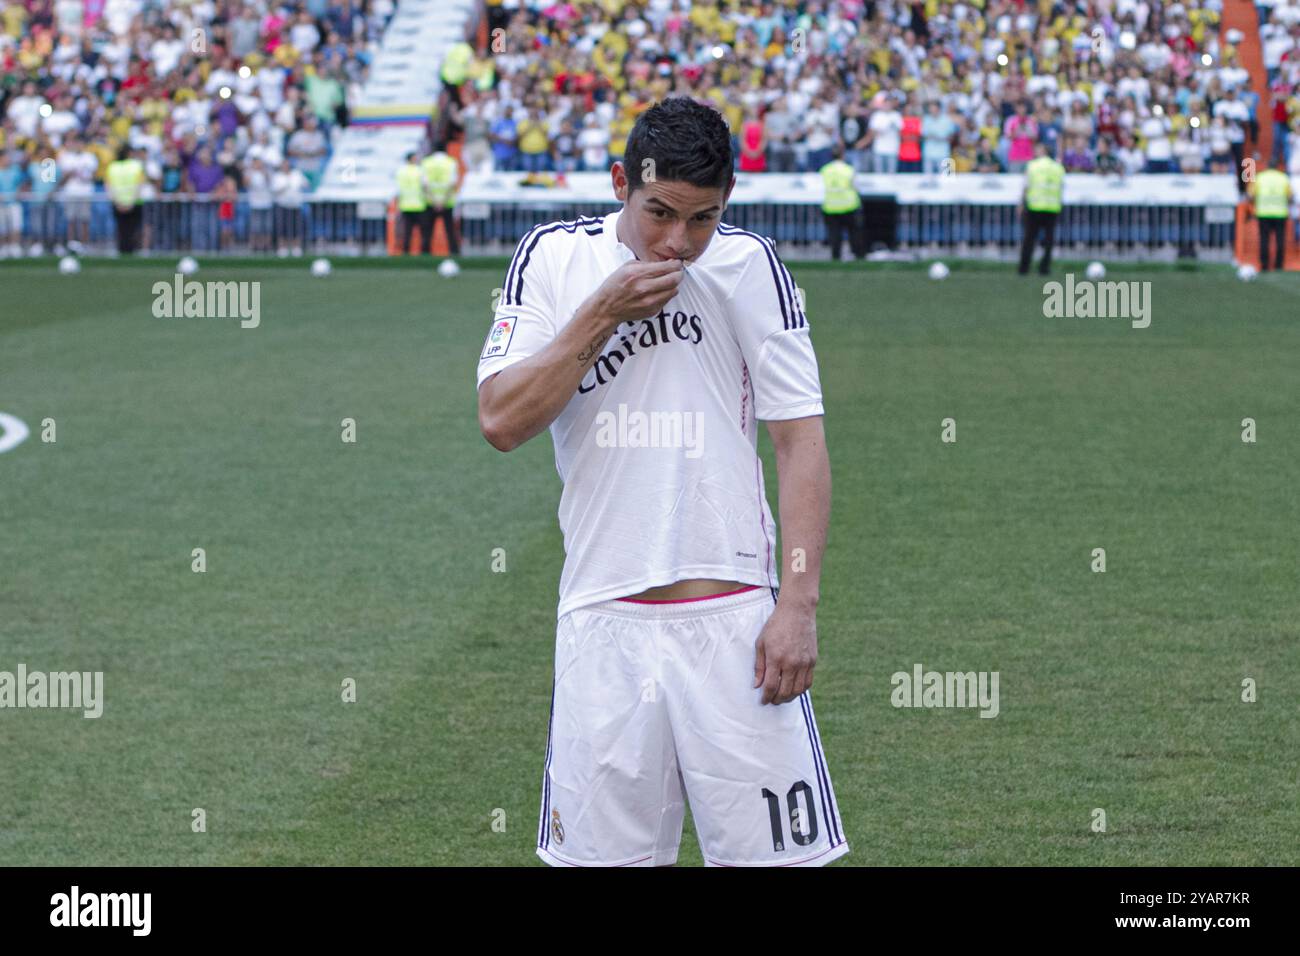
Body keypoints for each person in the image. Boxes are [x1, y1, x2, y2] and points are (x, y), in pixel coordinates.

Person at [476, 98, 848, 868]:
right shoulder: (553, 259)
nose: (678, 243)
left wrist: (799, 607)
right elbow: (502, 421)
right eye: (660, 214)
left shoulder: (751, 267)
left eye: (703, 219)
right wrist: (602, 312)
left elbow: (800, 440)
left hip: (737, 625)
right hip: (602, 622)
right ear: (620, 183)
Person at [1018, 142, 1065, 276]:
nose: (1035, 152)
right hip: (1052, 207)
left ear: (1043, 151)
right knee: (1049, 241)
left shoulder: (1032, 166)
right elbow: (1061, 187)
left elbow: (1026, 186)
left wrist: (1021, 203)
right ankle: (1044, 268)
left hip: (1034, 207)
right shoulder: (1058, 167)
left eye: (1037, 149)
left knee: (1029, 239)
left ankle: (1024, 268)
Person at [819, 143, 864, 260]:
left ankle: (836, 256)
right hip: (849, 206)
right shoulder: (848, 169)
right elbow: (856, 187)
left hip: (830, 207)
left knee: (834, 234)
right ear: (842, 155)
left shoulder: (825, 170)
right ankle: (857, 255)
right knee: (854, 233)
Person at [1248, 159, 1292, 271]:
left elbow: (1251, 195)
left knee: (1264, 239)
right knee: (1280, 240)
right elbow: (1290, 197)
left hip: (1263, 213)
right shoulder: (1284, 178)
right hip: (1280, 213)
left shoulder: (1260, 177)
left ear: (1267, 166)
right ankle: (1279, 265)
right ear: (1277, 166)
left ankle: (1264, 265)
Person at [421, 144, 461, 258]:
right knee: (450, 230)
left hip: (430, 202)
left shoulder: (426, 162)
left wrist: (434, 201)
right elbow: (453, 184)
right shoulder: (451, 162)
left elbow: (425, 185)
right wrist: (442, 201)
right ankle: (454, 253)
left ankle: (425, 255)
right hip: (447, 202)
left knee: (427, 230)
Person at [106, 145, 146, 255]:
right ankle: (133, 251)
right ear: (129, 153)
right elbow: (139, 185)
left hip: (118, 203)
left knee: (121, 230)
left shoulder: (112, 167)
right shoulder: (136, 166)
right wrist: (131, 203)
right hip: (134, 203)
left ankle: (122, 251)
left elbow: (109, 187)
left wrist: (117, 202)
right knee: (133, 230)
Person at [394, 151, 427, 255]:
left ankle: (406, 253)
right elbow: (425, 187)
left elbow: (398, 189)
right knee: (424, 231)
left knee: (407, 232)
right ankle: (424, 253)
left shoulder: (400, 171)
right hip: (419, 205)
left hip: (405, 205)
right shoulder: (420, 170)